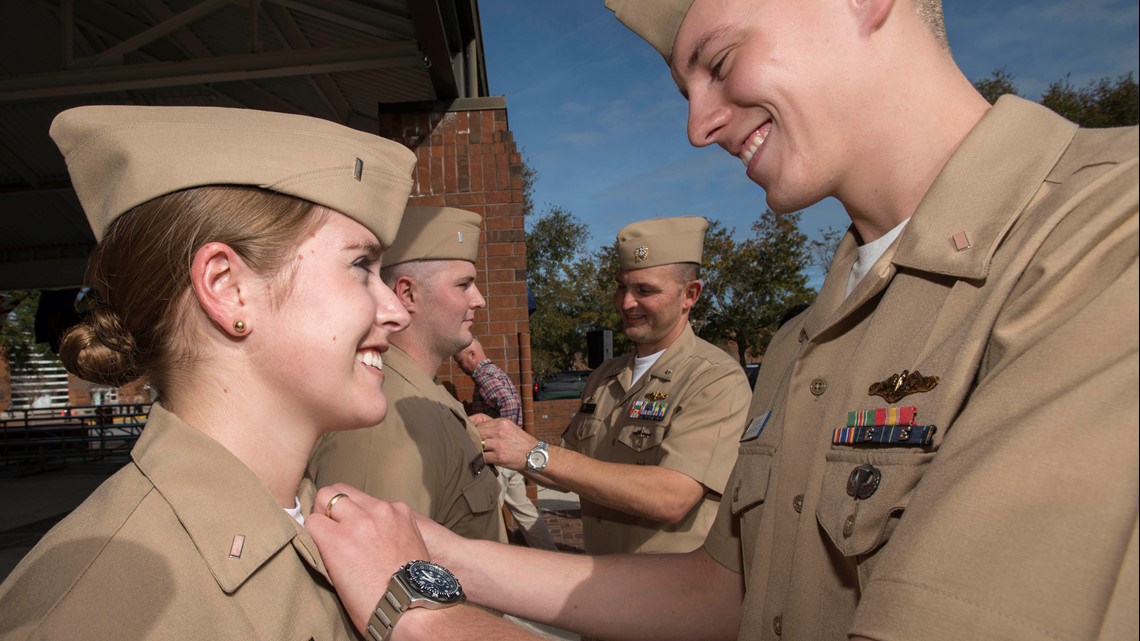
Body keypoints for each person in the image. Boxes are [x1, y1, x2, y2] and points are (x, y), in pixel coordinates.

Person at [306, 0, 1139, 639]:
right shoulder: (801, 342)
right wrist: (437, 553)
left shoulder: (1103, 240)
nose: (699, 125)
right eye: (684, 87)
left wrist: (422, 613)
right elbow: (723, 590)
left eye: (722, 60)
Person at [0, 104, 417, 639]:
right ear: (227, 287)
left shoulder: (330, 528)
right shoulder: (101, 611)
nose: (396, 311)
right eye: (361, 266)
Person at [479, 215, 751, 555]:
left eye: (645, 290)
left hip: (670, 592)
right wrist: (503, 443)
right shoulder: (605, 376)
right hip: (606, 580)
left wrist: (534, 453)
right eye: (622, 286)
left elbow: (672, 497)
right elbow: (566, 467)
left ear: (690, 295)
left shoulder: (714, 379)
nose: (625, 303)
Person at [309, 206, 507, 543]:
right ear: (408, 294)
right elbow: (382, 580)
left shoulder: (421, 392)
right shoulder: (384, 419)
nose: (479, 300)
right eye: (464, 285)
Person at [453, 338, 559, 551]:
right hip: (511, 458)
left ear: (472, 355)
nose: (459, 366)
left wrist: (498, 430)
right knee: (525, 511)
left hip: (500, 458)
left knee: (489, 513)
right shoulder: (494, 372)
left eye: (460, 360)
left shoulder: (483, 375)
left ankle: (493, 560)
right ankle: (551, 553)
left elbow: (508, 403)